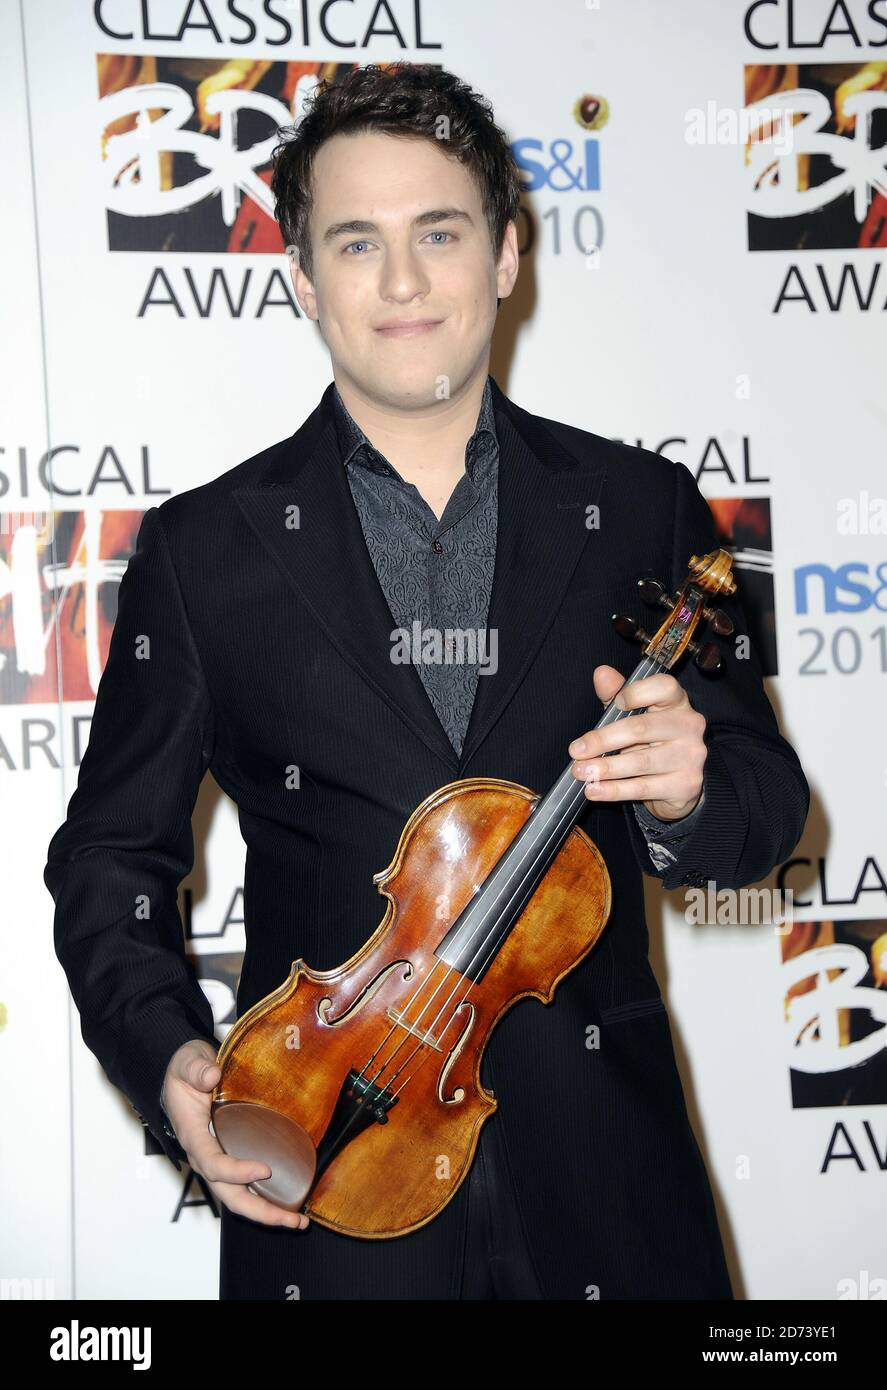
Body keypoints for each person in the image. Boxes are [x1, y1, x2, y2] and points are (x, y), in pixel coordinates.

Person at [45, 63, 808, 1300]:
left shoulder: (643, 511)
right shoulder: (202, 551)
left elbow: (763, 816)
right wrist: (171, 1056)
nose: (402, 282)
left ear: (506, 255)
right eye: (357, 244)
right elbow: (106, 859)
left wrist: (689, 796)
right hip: (331, 1195)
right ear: (303, 279)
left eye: (438, 234)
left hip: (610, 1200)